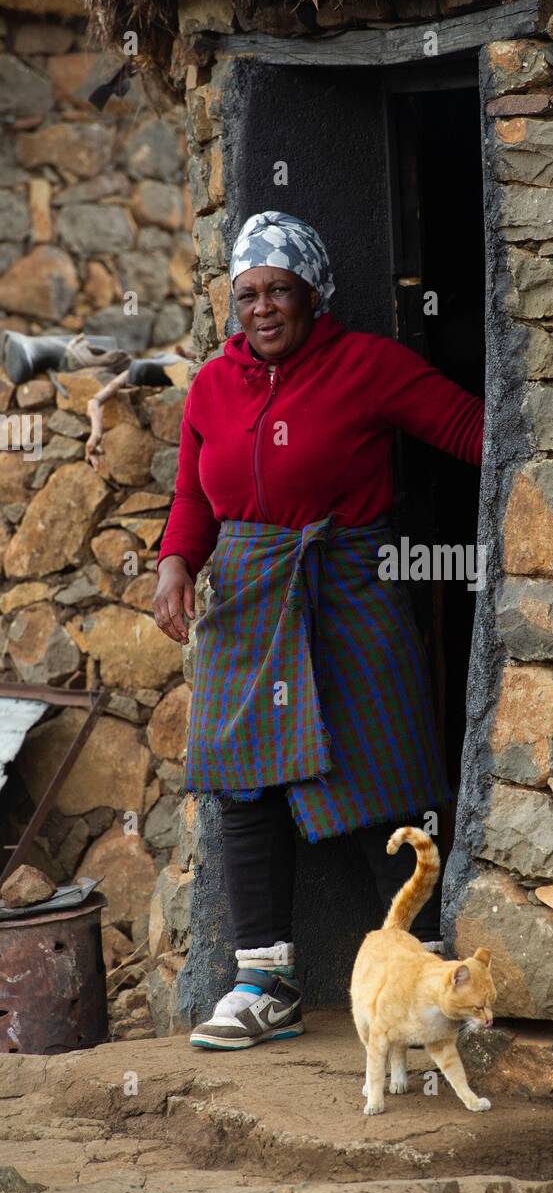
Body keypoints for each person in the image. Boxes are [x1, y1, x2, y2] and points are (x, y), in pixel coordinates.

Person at [152, 211, 484, 1050]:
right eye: (248, 293)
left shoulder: (366, 366)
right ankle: (265, 985)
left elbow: (473, 431)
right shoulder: (212, 387)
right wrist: (174, 563)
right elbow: (195, 494)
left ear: (313, 294)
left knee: (384, 775)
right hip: (246, 600)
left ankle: (424, 974)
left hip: (346, 586)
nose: (262, 308)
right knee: (245, 784)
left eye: (280, 290)